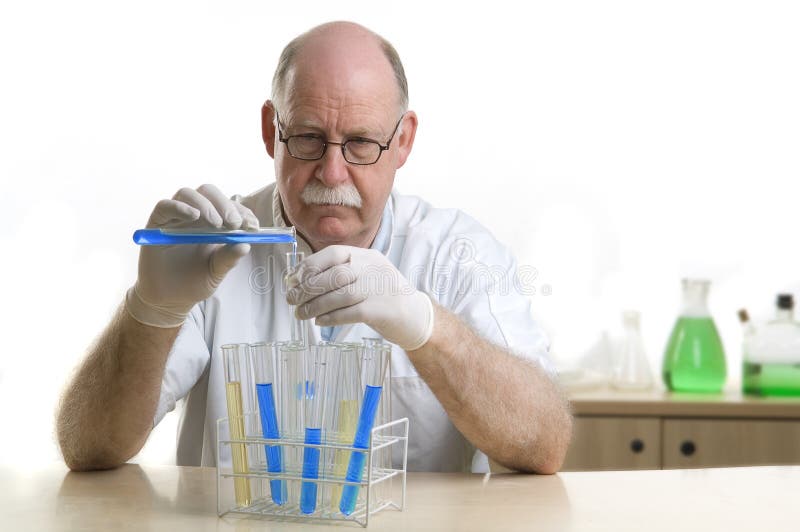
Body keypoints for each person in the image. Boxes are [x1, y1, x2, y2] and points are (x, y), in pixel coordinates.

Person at [56, 21, 572, 474]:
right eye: (308, 137)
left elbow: (545, 445)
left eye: (361, 143)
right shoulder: (210, 253)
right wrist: (152, 310)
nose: (332, 172)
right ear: (270, 131)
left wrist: (428, 328)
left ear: (403, 142)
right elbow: (87, 448)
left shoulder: (456, 256)